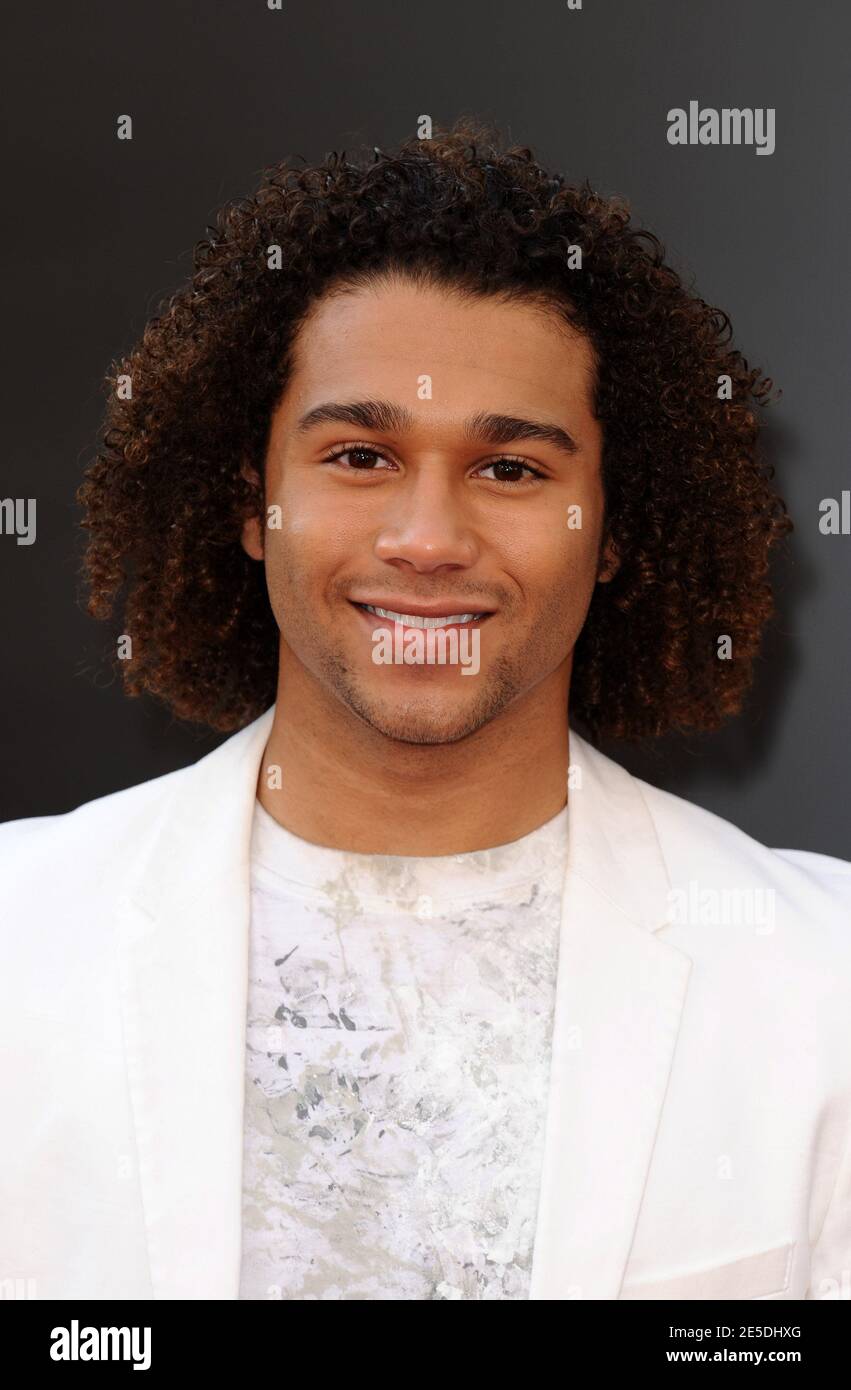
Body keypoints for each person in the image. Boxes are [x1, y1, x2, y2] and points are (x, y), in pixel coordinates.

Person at [1, 119, 849, 1302]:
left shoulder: (821, 976)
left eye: (510, 470)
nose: (427, 541)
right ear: (254, 508)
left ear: (610, 531)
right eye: (358, 456)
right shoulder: (17, 936)